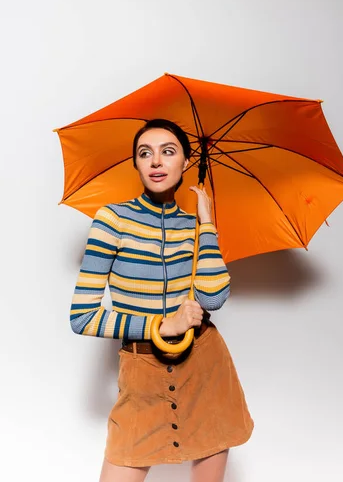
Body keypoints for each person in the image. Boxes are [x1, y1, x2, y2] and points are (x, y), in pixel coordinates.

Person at [70, 118, 254, 482]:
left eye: (168, 152)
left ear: (186, 162)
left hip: (205, 368)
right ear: (136, 164)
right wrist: (161, 325)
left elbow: (214, 298)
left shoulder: (193, 226)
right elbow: (82, 317)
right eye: (145, 153)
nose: (156, 161)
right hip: (142, 372)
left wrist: (207, 223)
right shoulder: (112, 220)